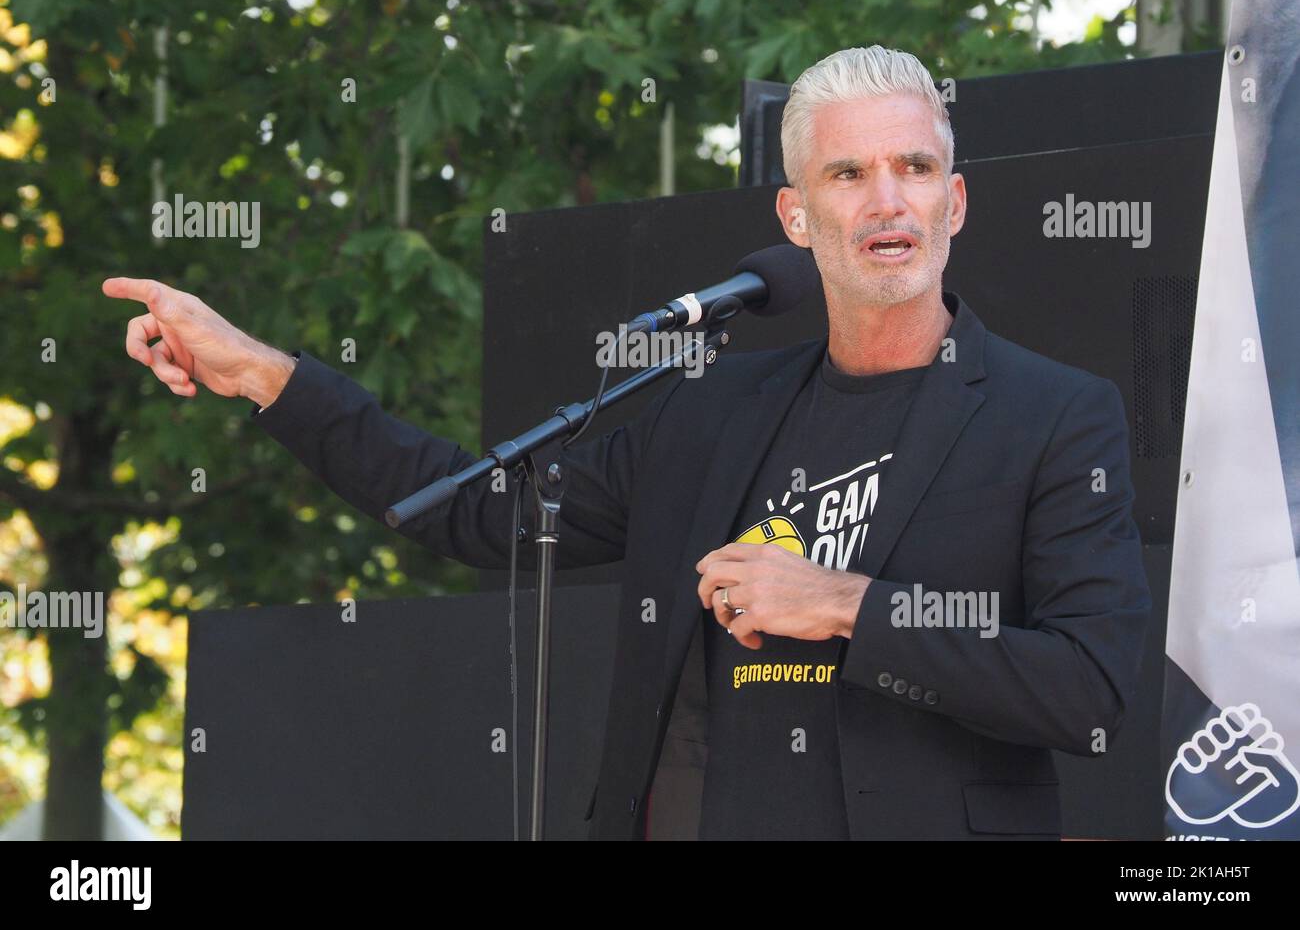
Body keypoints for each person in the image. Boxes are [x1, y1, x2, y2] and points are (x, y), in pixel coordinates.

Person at [103, 45, 1151, 840]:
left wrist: (844, 605)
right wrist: (265, 374)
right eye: (847, 174)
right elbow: (478, 507)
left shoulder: (1053, 413)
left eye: (914, 166)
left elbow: (1086, 683)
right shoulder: (710, 405)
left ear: (953, 199)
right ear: (795, 214)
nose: (887, 201)